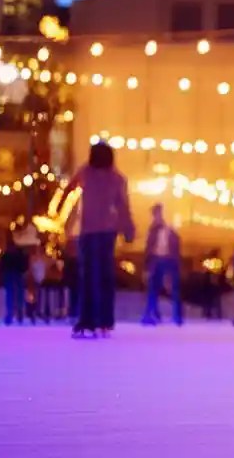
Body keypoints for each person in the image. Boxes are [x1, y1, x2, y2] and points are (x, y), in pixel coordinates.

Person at [67, 142, 135, 338]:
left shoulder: (86, 172)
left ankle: (87, 320)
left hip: (88, 231)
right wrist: (128, 229)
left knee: (88, 276)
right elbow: (123, 206)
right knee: (105, 276)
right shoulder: (117, 178)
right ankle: (105, 320)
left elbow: (70, 187)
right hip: (107, 232)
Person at [142, 204, 183, 326]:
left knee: (172, 289)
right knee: (153, 288)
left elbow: (175, 246)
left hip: (167, 259)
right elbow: (149, 248)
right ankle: (151, 314)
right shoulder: (154, 230)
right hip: (158, 259)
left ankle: (176, 316)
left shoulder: (168, 229)